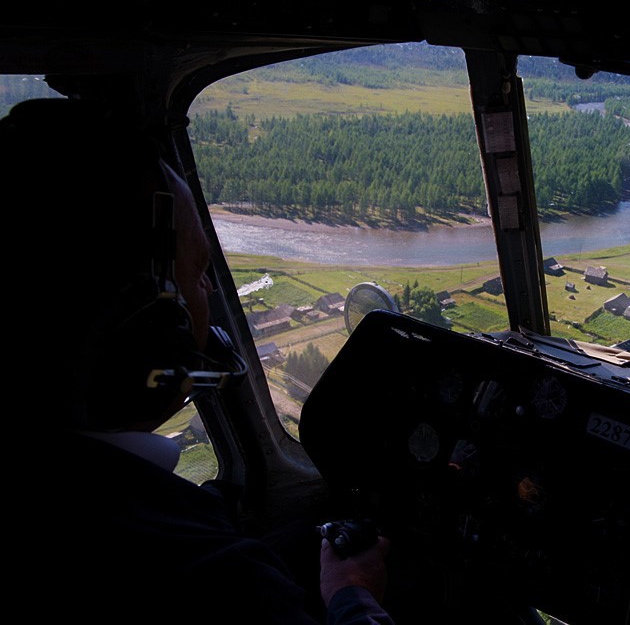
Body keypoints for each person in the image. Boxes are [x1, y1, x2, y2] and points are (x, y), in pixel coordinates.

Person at [6, 97, 393, 624]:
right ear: (144, 326)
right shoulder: (204, 576)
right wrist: (353, 595)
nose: (208, 294)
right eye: (199, 273)